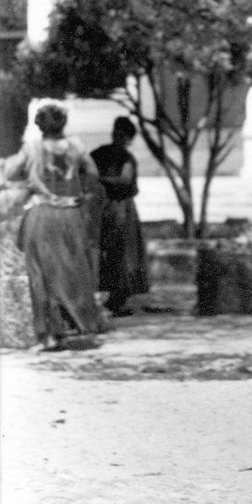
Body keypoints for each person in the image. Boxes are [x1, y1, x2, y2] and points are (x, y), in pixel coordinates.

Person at [0, 100, 104, 350]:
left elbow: (11, 173)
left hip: (43, 215)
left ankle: (47, 333)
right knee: (75, 270)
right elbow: (93, 175)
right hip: (71, 214)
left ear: (39, 124)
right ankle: (81, 326)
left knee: (40, 274)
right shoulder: (76, 147)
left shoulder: (32, 148)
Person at [91, 117, 150, 316]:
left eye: (122, 135)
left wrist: (100, 180)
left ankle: (119, 298)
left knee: (122, 252)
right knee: (107, 251)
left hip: (121, 207)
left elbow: (125, 181)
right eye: (116, 133)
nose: (118, 137)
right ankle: (107, 296)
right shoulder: (102, 153)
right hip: (104, 206)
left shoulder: (126, 158)